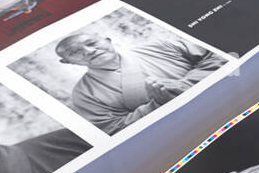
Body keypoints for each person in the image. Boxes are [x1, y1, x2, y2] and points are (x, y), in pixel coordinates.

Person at [56, 28, 228, 133]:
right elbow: (115, 130)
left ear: (107, 40)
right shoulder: (83, 95)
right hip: (182, 129)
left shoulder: (159, 46)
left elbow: (218, 54)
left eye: (92, 43)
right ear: (68, 62)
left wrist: (187, 84)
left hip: (226, 97)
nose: (88, 51)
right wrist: (158, 105)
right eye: (74, 52)